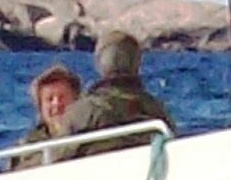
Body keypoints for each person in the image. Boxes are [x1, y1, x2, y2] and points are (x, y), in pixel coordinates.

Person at [54, 31, 174, 161]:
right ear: (137, 63)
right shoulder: (156, 110)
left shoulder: (80, 112)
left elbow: (57, 159)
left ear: (99, 63)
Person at [8, 63, 82, 170]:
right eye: (50, 99)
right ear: (40, 109)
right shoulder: (24, 150)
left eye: (62, 97)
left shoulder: (93, 134)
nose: (56, 104)